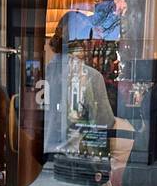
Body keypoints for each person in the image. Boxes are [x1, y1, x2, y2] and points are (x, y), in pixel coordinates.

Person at [43, 20, 115, 157]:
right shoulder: (92, 76)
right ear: (85, 42)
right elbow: (105, 122)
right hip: (76, 155)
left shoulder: (44, 72)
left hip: (46, 152)